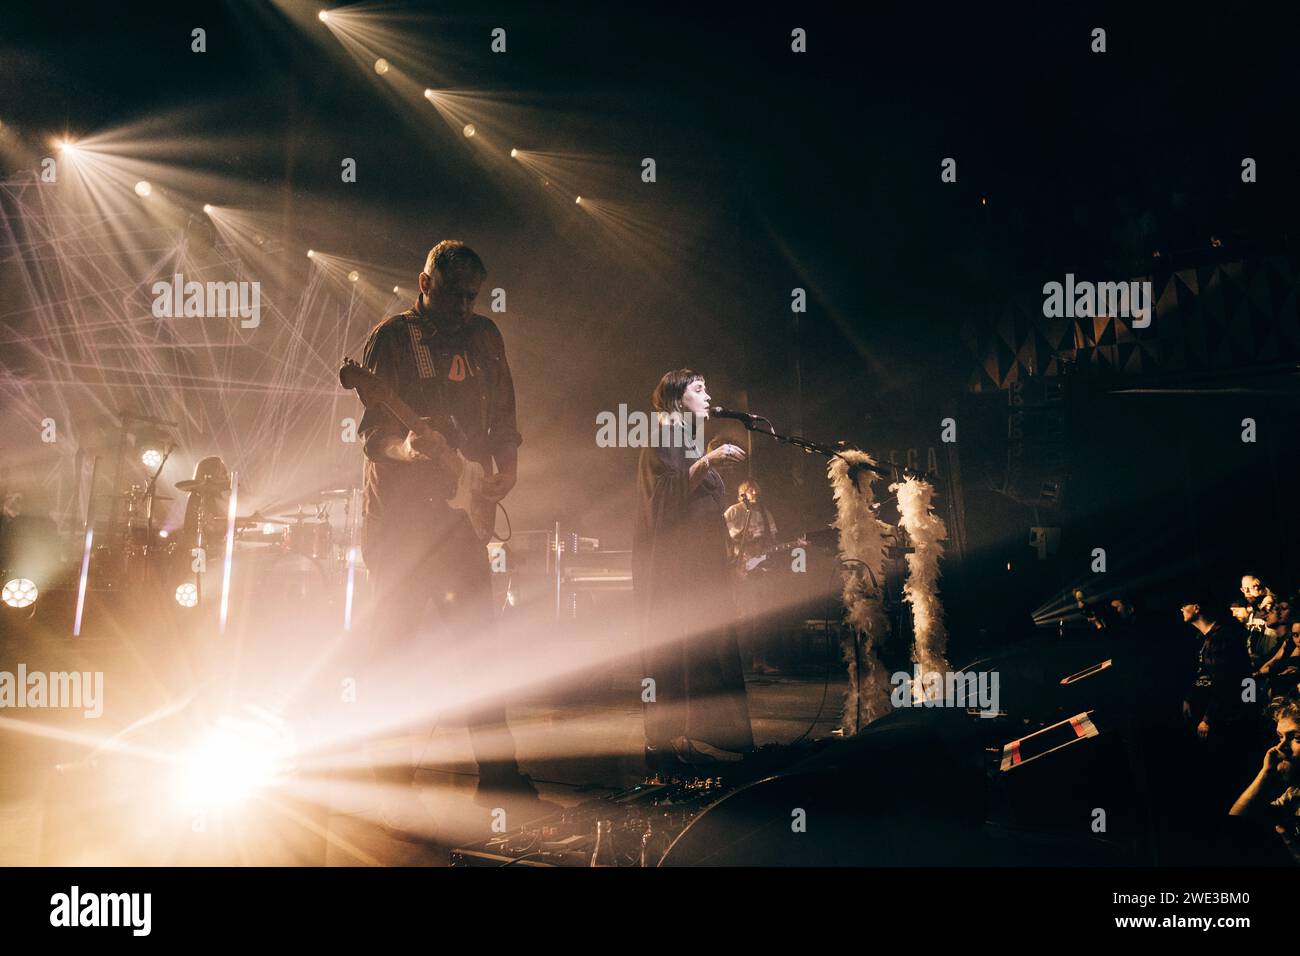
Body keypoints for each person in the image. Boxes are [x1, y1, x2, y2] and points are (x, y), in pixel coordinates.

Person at [357, 240, 532, 833]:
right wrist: (404, 448)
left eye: (472, 295)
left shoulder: (486, 336)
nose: (463, 305)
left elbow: (504, 413)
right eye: (453, 292)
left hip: (460, 513)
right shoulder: (391, 338)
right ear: (423, 282)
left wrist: (504, 466)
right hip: (400, 522)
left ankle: (500, 774)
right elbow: (372, 435)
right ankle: (388, 782)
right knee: (392, 651)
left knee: (480, 643)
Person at [633, 369, 754, 773]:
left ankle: (691, 736)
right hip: (675, 569)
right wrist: (710, 460)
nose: (708, 394)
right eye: (699, 389)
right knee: (675, 648)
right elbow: (664, 497)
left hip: (701, 566)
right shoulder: (662, 435)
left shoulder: (685, 439)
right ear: (674, 398)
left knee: (701, 645)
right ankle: (663, 744)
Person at [1229, 698, 1300, 863]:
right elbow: (1236, 823)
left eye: (1296, 738)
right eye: (1279, 737)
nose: (1280, 747)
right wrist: (1265, 773)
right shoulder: (1294, 792)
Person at [725, 480, 782, 675]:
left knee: (761, 616)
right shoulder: (733, 512)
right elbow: (727, 537)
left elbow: (772, 537)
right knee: (741, 616)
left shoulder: (765, 514)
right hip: (740, 569)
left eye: (757, 489)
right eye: (750, 490)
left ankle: (759, 661)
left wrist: (765, 544)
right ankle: (737, 662)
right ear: (741, 494)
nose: (756, 492)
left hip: (761, 568)